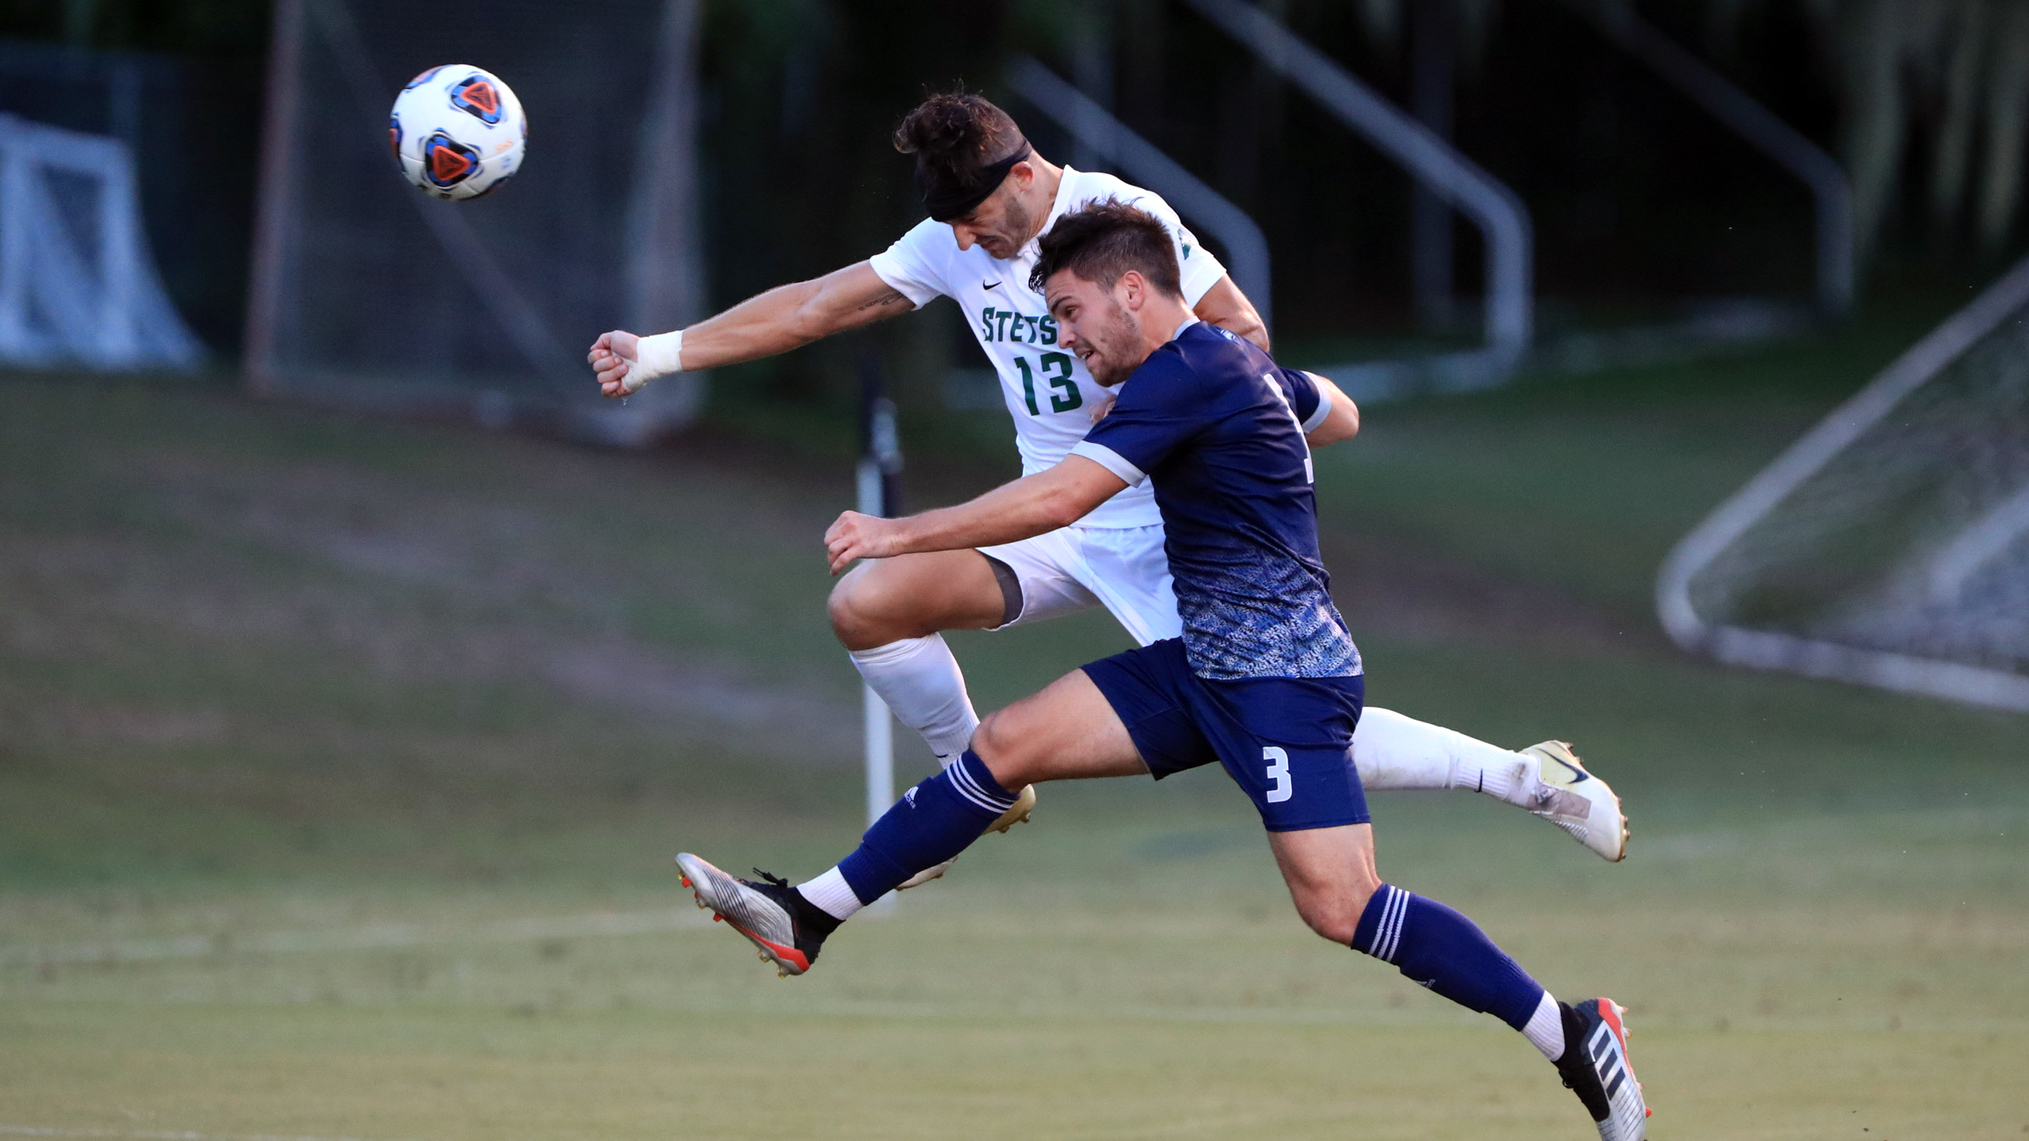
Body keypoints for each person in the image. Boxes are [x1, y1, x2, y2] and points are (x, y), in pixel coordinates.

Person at [674, 202, 1648, 1140]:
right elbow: (1337, 409)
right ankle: (807, 915)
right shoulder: (1227, 366)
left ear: (1130, 292)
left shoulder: (1185, 375)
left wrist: (902, 532)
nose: (1061, 338)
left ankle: (1573, 1035)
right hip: (1202, 665)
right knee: (1005, 744)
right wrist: (1276, 409)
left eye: (1066, 312)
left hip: (1281, 678)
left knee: (1339, 905)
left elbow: (1059, 497)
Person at [589, 92, 1628, 880]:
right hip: (1053, 514)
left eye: (977, 216)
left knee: (1277, 721)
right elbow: (816, 305)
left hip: (1171, 524)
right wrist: (663, 354)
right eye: (948, 225)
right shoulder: (956, 243)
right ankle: (985, 789)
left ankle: (1517, 772)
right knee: (867, 604)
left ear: (1026, 174)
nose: (964, 240)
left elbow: (1246, 339)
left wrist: (1144, 407)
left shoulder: (1123, 221)